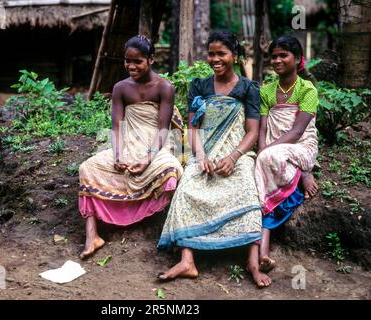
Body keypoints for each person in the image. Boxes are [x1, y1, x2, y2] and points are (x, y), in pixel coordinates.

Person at [157, 30, 272, 288]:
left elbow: (253, 131)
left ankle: (253, 262)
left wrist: (234, 156)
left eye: (222, 53)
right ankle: (188, 260)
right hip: (205, 151)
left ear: (235, 56)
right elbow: (193, 128)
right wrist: (200, 156)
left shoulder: (248, 88)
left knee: (246, 189)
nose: (215, 59)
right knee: (187, 187)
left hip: (237, 153)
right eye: (211, 54)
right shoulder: (199, 85)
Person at [78, 35, 184, 259]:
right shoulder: (120, 88)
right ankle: (92, 235)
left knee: (171, 170)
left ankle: (169, 230)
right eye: (128, 61)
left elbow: (164, 130)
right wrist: (118, 156)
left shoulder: (165, 87)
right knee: (87, 168)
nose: (131, 66)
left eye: (138, 61)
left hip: (156, 148)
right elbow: (116, 128)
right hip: (127, 146)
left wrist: (147, 159)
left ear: (151, 59)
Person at [255, 35, 319, 273]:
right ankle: (262, 252)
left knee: (271, 159)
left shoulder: (306, 89)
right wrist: (263, 150)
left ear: (298, 59)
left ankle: (304, 169)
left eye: (284, 55)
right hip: (273, 148)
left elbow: (298, 131)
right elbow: (263, 128)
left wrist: (267, 152)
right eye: (274, 56)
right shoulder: (267, 91)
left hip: (300, 144)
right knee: (261, 169)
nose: (278, 60)